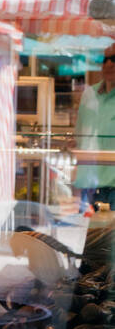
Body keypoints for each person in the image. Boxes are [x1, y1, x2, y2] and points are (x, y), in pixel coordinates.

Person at [76, 44, 115, 212]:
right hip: (89, 185)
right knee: (85, 237)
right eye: (104, 59)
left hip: (113, 186)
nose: (108, 64)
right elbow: (80, 137)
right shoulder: (89, 94)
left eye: (114, 59)